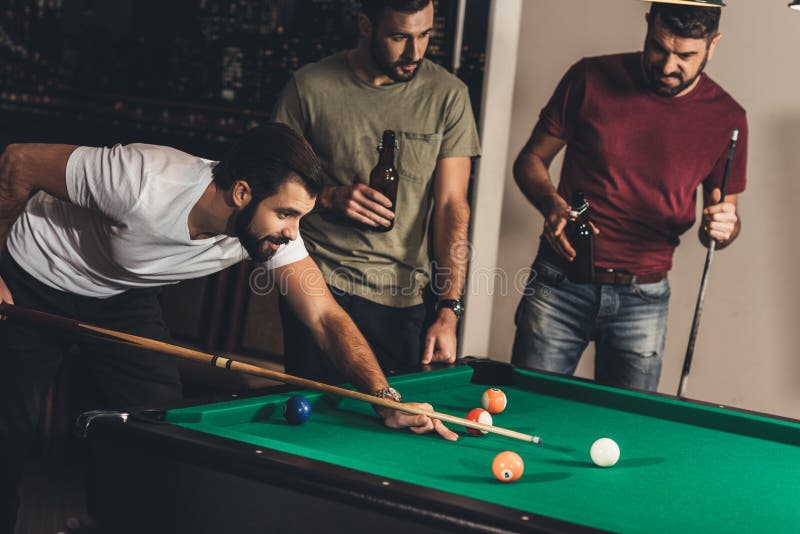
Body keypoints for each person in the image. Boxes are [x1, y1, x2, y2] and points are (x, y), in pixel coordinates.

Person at [0, 124, 457, 531]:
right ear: (242, 193)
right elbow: (18, 162)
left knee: (162, 432)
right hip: (31, 278)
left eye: (301, 217)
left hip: (122, 298)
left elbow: (324, 315)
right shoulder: (142, 180)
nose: (293, 232)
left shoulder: (267, 233)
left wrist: (383, 399)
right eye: (286, 214)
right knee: (8, 432)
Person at [510, 3, 747, 391]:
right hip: (560, 282)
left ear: (713, 45)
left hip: (644, 299)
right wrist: (552, 203)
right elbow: (530, 161)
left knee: (629, 431)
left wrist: (723, 227)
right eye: (659, 48)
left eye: (686, 56)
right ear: (648, 26)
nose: (668, 66)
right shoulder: (589, 77)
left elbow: (719, 228)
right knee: (529, 406)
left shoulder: (729, 118)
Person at [273, 0, 481, 383]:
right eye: (399, 36)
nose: (414, 52)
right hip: (316, 281)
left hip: (401, 299)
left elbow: (453, 207)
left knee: (392, 417)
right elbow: (271, 190)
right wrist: (330, 198)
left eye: (424, 35)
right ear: (367, 26)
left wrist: (449, 309)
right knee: (310, 416)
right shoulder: (309, 86)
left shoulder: (449, 96)